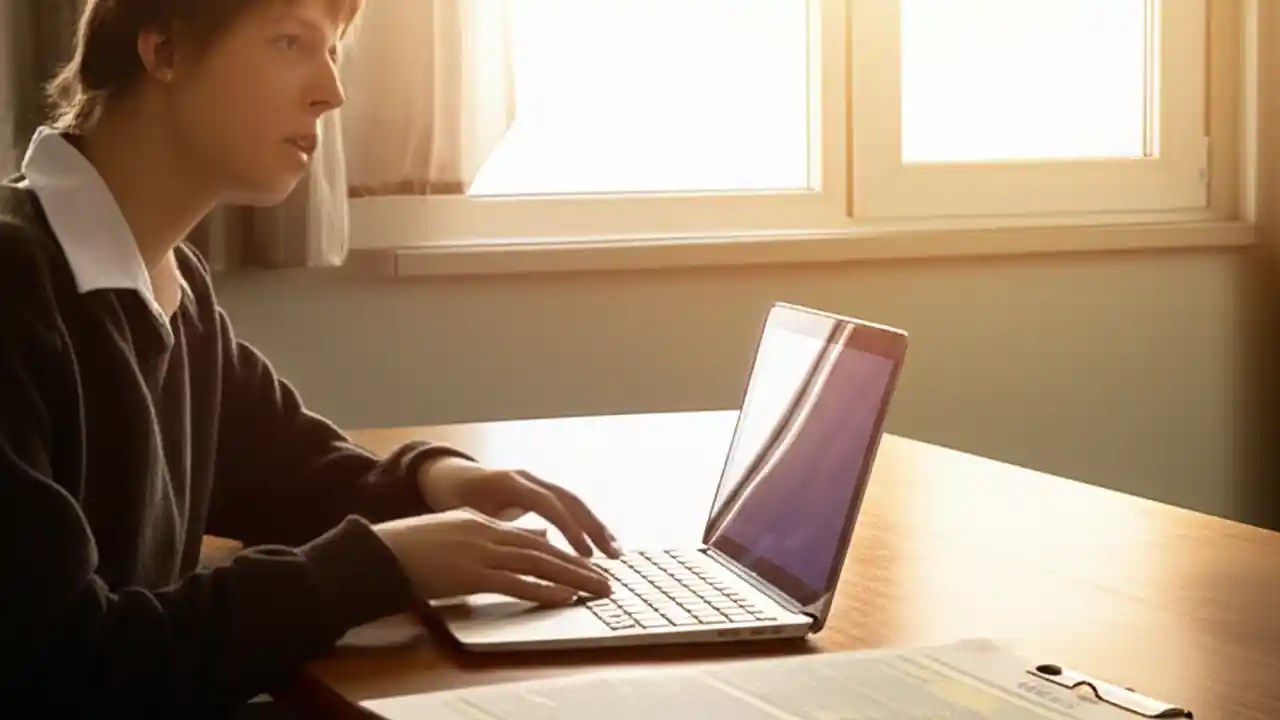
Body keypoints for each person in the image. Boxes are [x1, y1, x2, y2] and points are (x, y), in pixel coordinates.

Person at [0, 0, 618, 714]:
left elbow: (288, 471)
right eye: (291, 42)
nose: (332, 91)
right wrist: (383, 562)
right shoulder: (16, 286)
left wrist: (436, 481)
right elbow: (64, 666)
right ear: (164, 51)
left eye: (334, 52)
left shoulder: (172, 286)